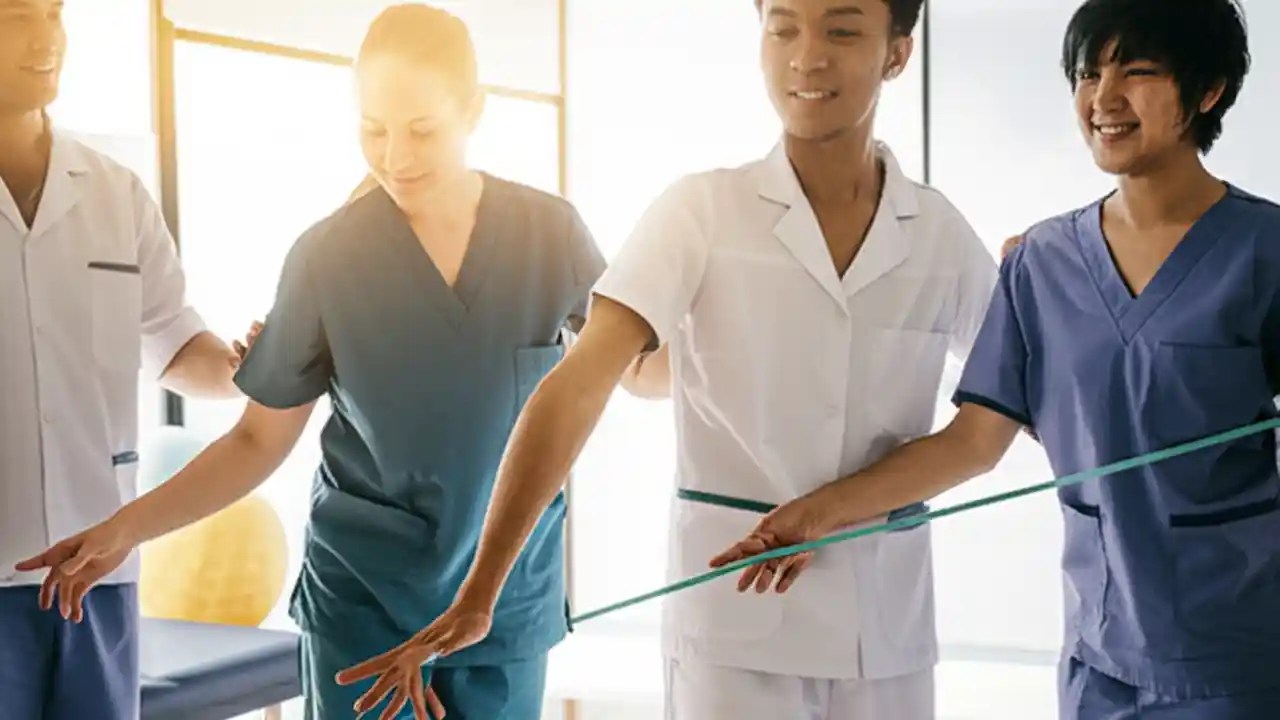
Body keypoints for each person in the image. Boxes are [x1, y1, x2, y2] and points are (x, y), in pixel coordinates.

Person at [341, 0, 1000, 717]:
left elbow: (992, 427)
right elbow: (578, 388)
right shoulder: (700, 212)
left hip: (887, 635)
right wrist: (481, 590)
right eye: (782, 28)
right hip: (732, 641)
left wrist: (827, 511)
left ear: (897, 53)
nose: (806, 56)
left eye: (841, 30)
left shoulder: (939, 236)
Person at [18, 4, 659, 718]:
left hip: (504, 602)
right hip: (362, 605)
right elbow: (258, 440)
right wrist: (123, 528)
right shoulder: (328, 257)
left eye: (422, 130)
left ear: (474, 111)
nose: (396, 156)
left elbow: (638, 371)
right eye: (373, 129)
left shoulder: (551, 234)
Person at [713, 0, 1280, 717]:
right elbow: (972, 444)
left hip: (1240, 659)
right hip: (1097, 663)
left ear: (1208, 91)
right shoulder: (1041, 262)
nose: (1103, 100)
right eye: (1086, 73)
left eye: (1137, 72)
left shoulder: (1264, 252)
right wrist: (816, 515)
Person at [0, 1, 246, 718]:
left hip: (97, 567)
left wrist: (245, 370)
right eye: (17, 14)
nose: (46, 38)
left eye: (55, 12)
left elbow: (173, 340)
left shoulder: (116, 192)